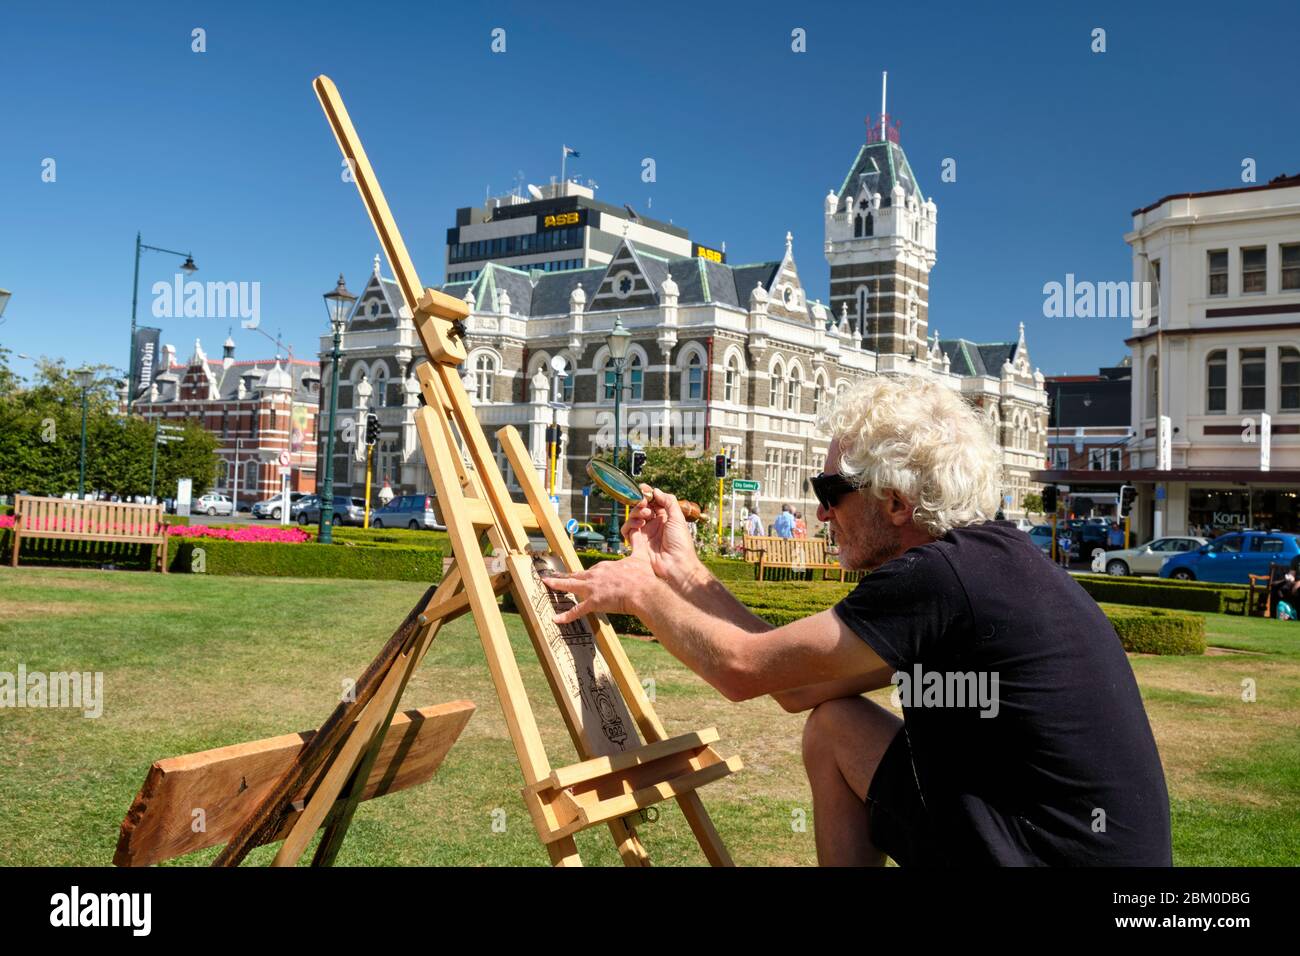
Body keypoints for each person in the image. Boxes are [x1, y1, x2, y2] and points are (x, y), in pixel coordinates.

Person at [542, 375, 1171, 866]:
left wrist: (640, 593)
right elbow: (796, 683)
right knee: (835, 726)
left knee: (835, 728)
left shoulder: (937, 578)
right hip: (1061, 850)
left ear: (894, 502)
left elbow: (741, 668)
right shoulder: (982, 562)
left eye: (829, 492)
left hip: (1042, 856)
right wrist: (683, 572)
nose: (821, 513)